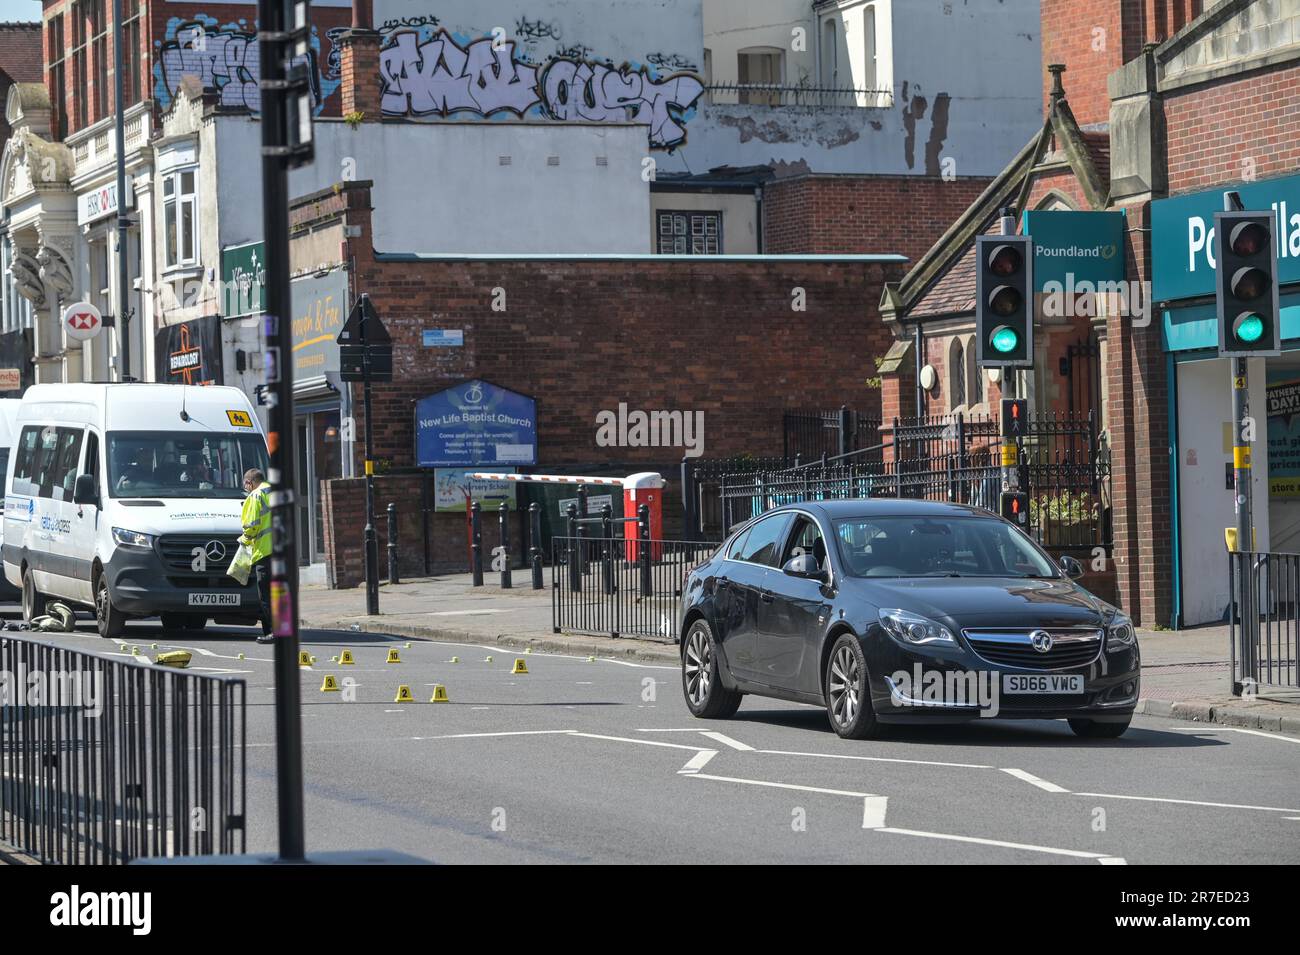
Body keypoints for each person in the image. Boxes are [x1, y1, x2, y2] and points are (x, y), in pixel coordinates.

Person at [240, 468, 274, 643]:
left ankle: (272, 632)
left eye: (245, 485)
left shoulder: (255, 496)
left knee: (266, 595)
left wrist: (243, 540)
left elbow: (252, 526)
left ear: (249, 483)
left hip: (264, 552)